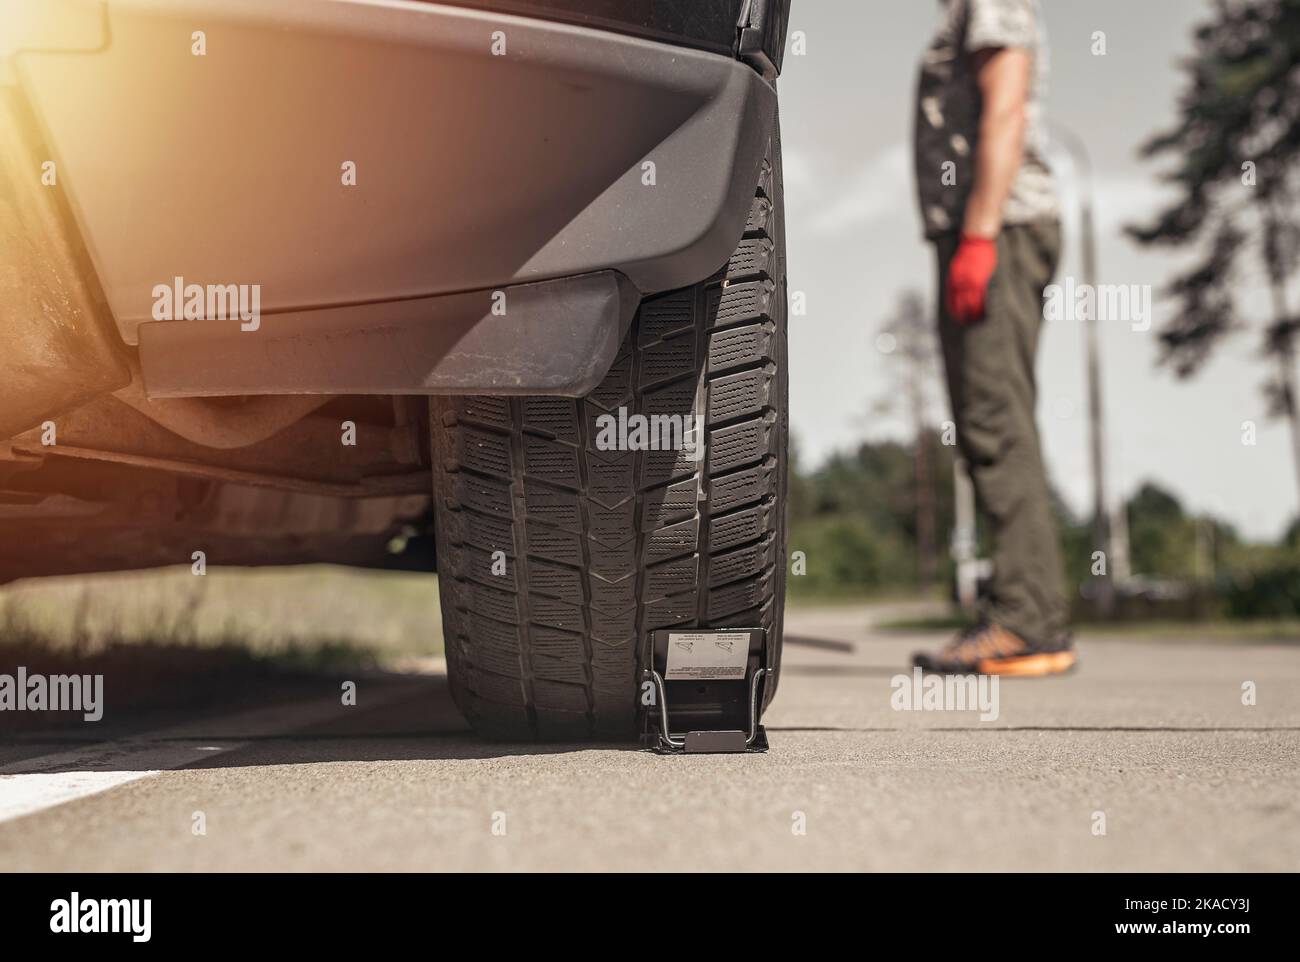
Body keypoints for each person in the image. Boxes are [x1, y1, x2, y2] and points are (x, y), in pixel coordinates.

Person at [911, 0, 1075, 676]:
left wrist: (977, 238)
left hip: (998, 229)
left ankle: (1025, 622)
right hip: (989, 229)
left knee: (993, 419)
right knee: (993, 416)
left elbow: (1004, 107)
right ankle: (1026, 615)